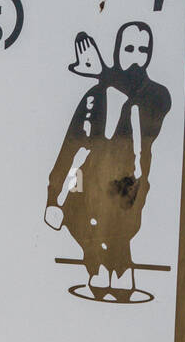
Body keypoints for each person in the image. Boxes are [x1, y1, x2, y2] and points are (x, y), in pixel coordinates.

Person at [45, 21, 171, 299]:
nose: (136, 57)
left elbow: (148, 118)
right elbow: (73, 145)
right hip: (86, 182)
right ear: (117, 51)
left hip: (129, 182)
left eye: (143, 49)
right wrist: (55, 195)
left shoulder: (156, 95)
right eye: (128, 49)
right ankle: (99, 267)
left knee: (119, 222)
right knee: (78, 215)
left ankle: (119, 270)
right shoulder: (94, 96)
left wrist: (104, 74)